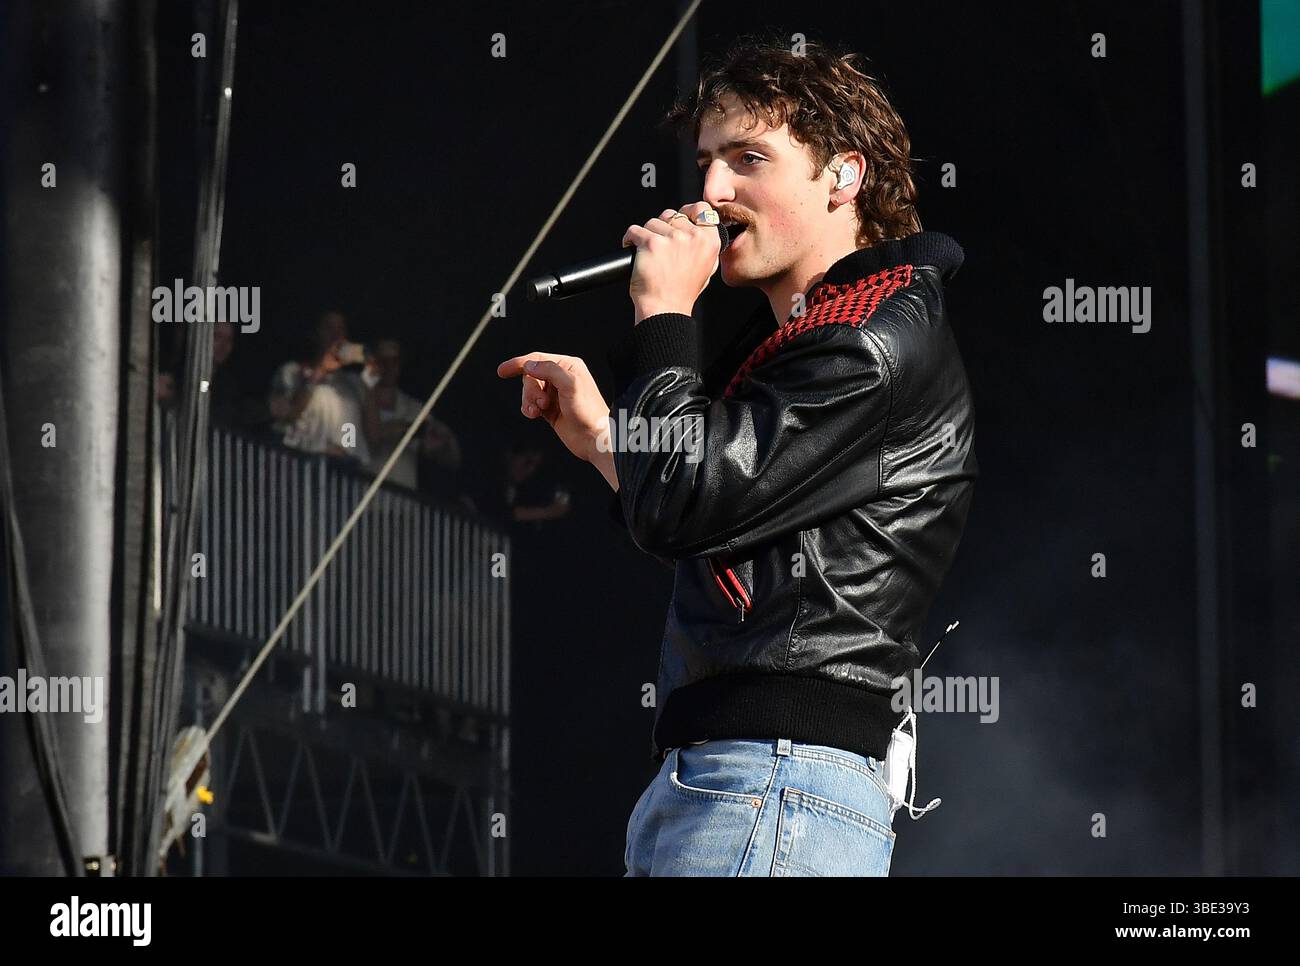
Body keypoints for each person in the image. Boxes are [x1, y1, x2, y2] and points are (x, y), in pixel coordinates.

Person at [497, 34, 977, 876]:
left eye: (749, 158)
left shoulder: (866, 341)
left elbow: (684, 499)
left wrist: (664, 315)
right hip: (747, 778)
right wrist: (609, 442)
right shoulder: (817, 336)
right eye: (709, 161)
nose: (713, 192)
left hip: (777, 776)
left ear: (843, 176)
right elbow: (733, 508)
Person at [269, 310, 372, 467]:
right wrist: (321, 370)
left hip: (347, 470)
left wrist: (374, 368)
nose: (336, 335)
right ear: (316, 334)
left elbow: (373, 434)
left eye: (340, 329)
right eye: (329, 328)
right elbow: (288, 413)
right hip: (305, 465)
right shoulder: (293, 371)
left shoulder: (355, 383)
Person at [363, 337, 463, 492]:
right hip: (365, 501)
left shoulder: (414, 409)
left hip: (404, 505)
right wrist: (400, 429)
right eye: (383, 361)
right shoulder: (357, 400)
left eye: (394, 361)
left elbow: (450, 458)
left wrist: (444, 442)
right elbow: (364, 440)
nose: (389, 367)